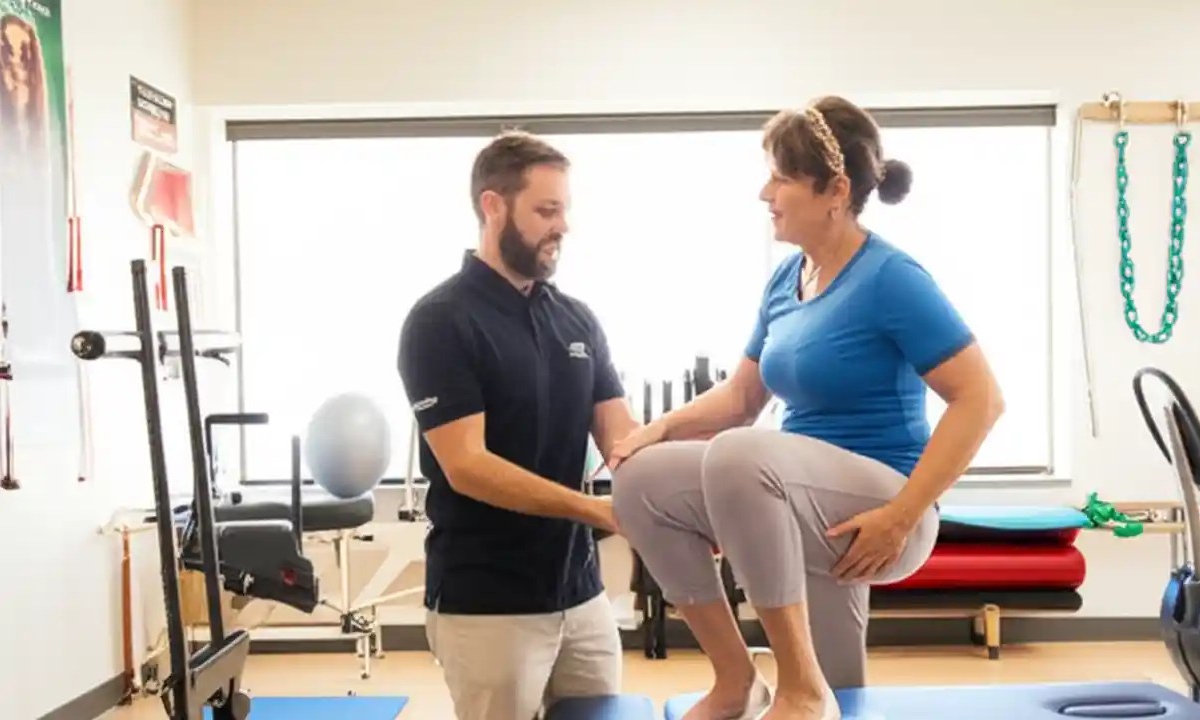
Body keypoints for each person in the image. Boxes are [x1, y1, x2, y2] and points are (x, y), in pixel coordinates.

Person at [609, 95, 1005, 720]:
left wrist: (903, 513)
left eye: (781, 176)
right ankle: (737, 680)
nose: (765, 192)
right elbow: (741, 399)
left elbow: (981, 399)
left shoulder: (892, 277)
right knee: (641, 481)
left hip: (882, 506)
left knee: (739, 458)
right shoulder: (786, 279)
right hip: (794, 500)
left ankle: (800, 687)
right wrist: (656, 429)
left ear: (835, 190)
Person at [396, 130, 638, 720]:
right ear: (493, 206)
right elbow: (469, 467)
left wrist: (680, 498)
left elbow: (622, 438)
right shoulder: (440, 321)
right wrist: (597, 511)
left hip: (580, 593)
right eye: (546, 210)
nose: (563, 226)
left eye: (565, 210)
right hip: (487, 602)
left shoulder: (576, 318)